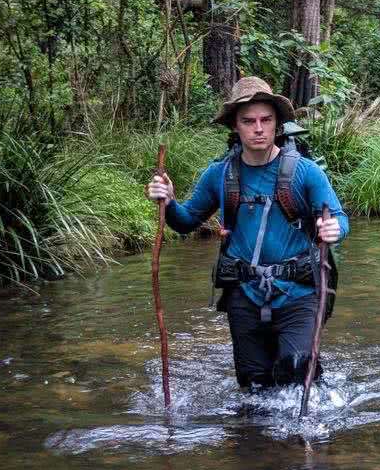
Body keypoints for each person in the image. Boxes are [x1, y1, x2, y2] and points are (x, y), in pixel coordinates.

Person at [146, 76, 347, 390]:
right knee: (254, 388)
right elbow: (185, 222)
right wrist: (169, 201)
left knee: (297, 374)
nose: (258, 128)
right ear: (235, 126)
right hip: (244, 294)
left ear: (277, 123)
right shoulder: (219, 175)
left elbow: (338, 218)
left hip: (299, 293)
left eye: (266, 120)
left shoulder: (306, 172)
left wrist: (333, 229)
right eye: (248, 121)